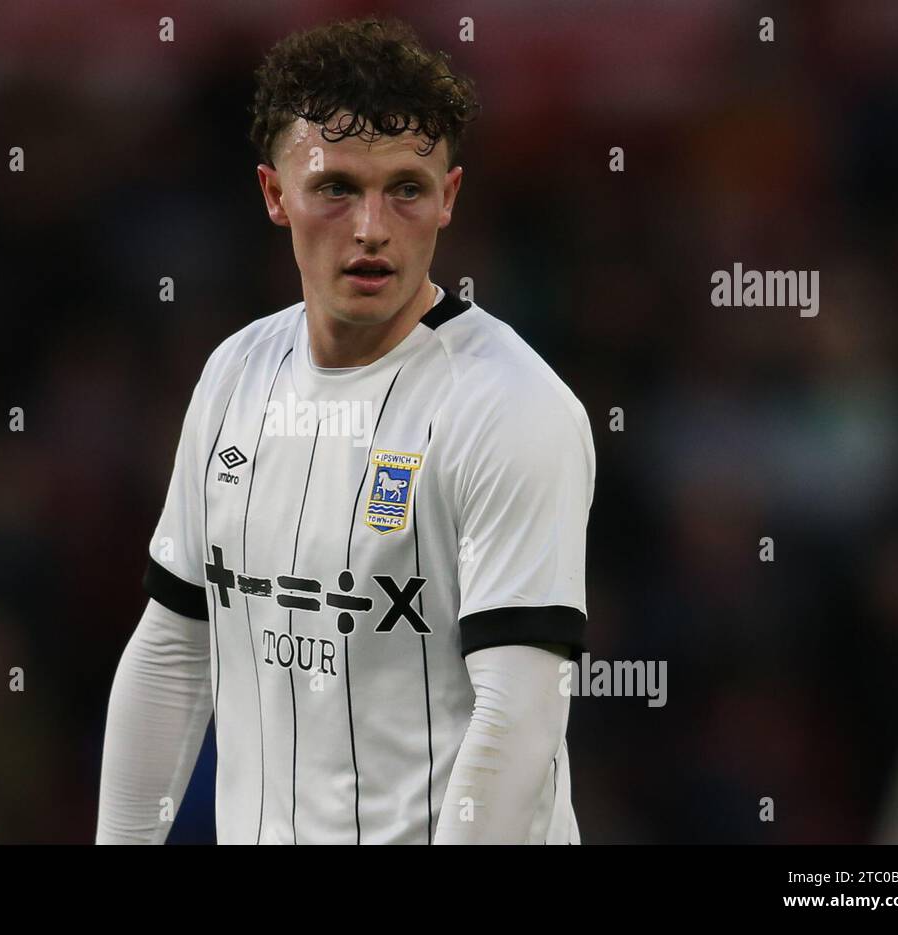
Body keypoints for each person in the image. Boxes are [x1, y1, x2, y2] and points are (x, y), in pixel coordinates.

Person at [96, 15, 595, 844]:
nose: (371, 227)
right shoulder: (232, 376)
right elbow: (174, 654)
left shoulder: (513, 410)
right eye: (335, 187)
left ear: (448, 198)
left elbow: (519, 716)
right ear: (274, 193)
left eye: (406, 187)